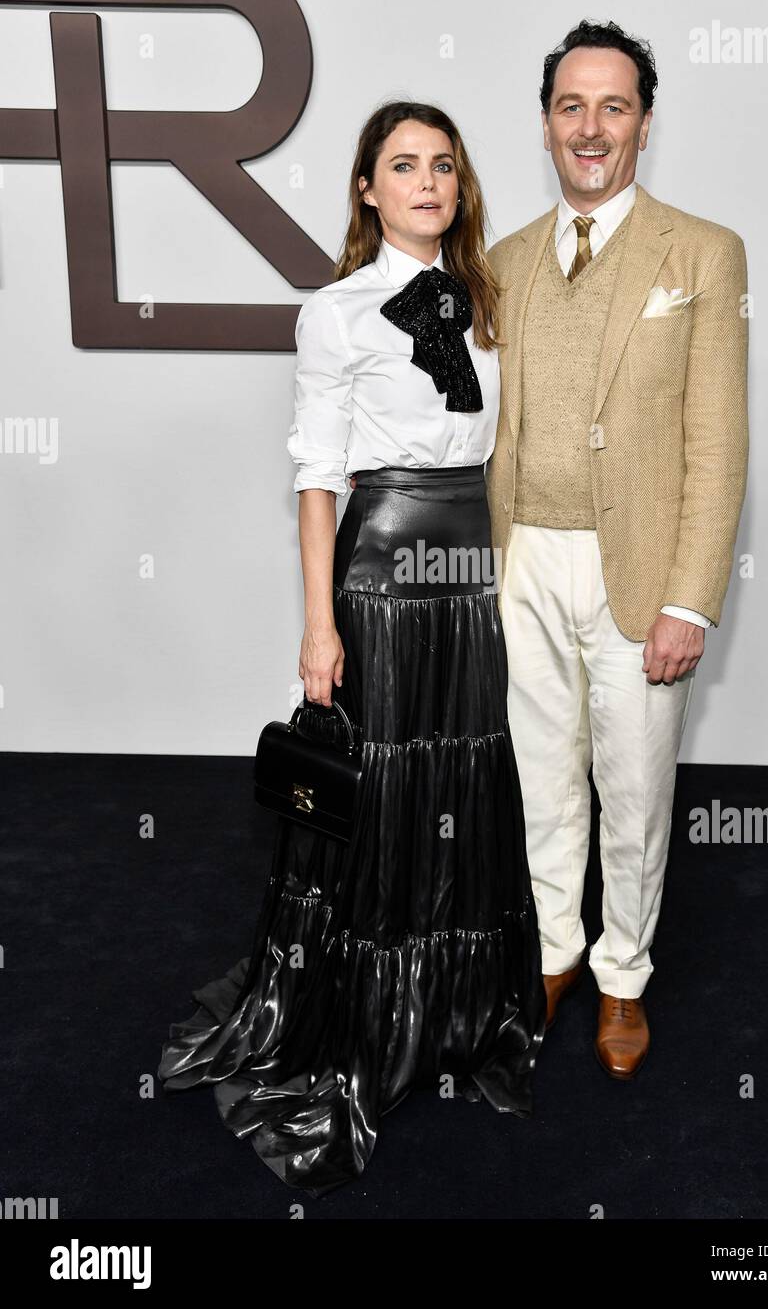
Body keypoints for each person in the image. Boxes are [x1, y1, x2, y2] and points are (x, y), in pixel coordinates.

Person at [158, 101, 545, 1195]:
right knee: (375, 791)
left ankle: (455, 1013)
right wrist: (319, 623)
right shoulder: (333, 312)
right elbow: (317, 476)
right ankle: (364, 1020)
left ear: (459, 186)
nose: (426, 182)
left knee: (461, 780)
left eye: (442, 166)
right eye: (401, 166)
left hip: (466, 577)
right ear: (366, 191)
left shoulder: (487, 302)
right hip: (378, 573)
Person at [485, 20, 749, 1078]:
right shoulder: (501, 263)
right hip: (521, 564)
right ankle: (552, 951)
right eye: (569, 106)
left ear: (642, 121)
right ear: (545, 123)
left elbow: (717, 440)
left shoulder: (702, 251)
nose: (589, 127)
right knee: (542, 777)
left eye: (612, 105)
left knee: (633, 787)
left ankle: (623, 974)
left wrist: (689, 598)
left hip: (634, 570)